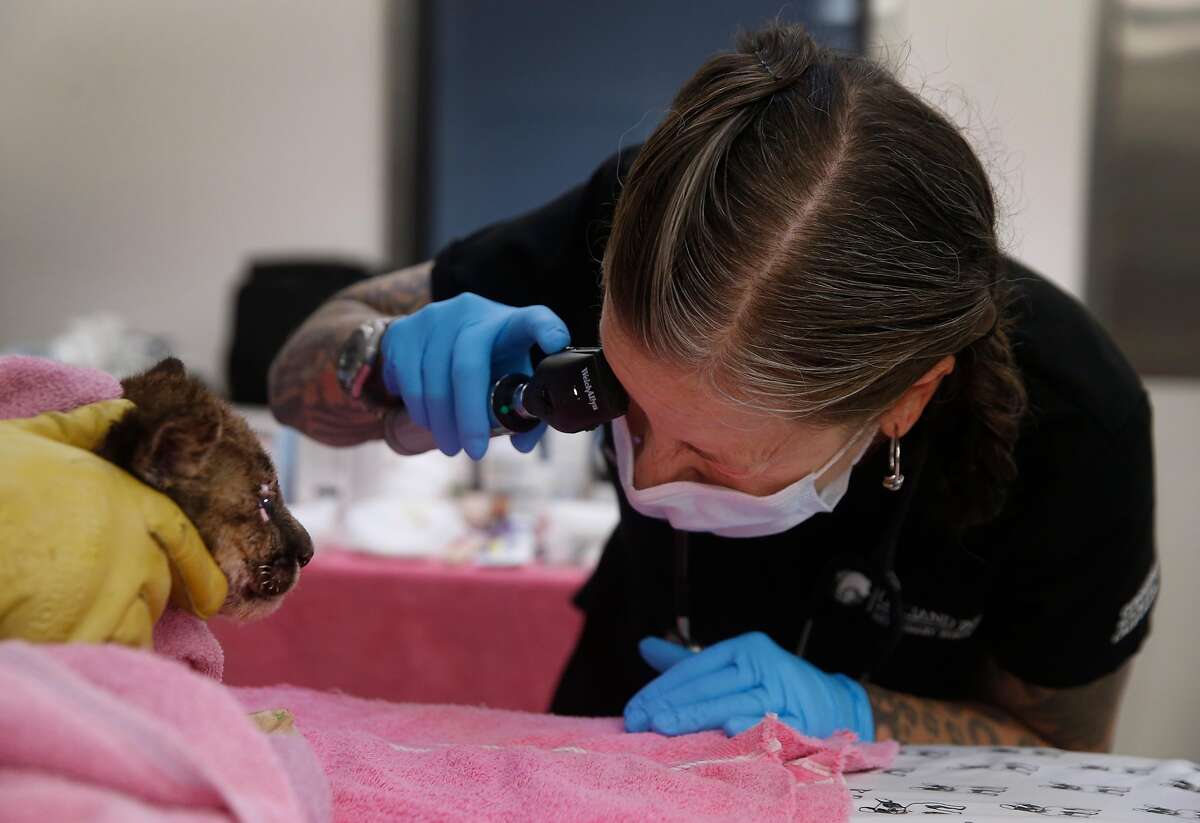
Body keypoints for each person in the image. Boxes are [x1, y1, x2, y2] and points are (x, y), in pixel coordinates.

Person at [270, 24, 1156, 751]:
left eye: (712, 457)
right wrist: (378, 361)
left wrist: (862, 714)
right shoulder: (646, 235)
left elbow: (1064, 745)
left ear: (907, 398)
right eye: (629, 400)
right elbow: (294, 368)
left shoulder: (1081, 422)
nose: (648, 478)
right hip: (618, 720)